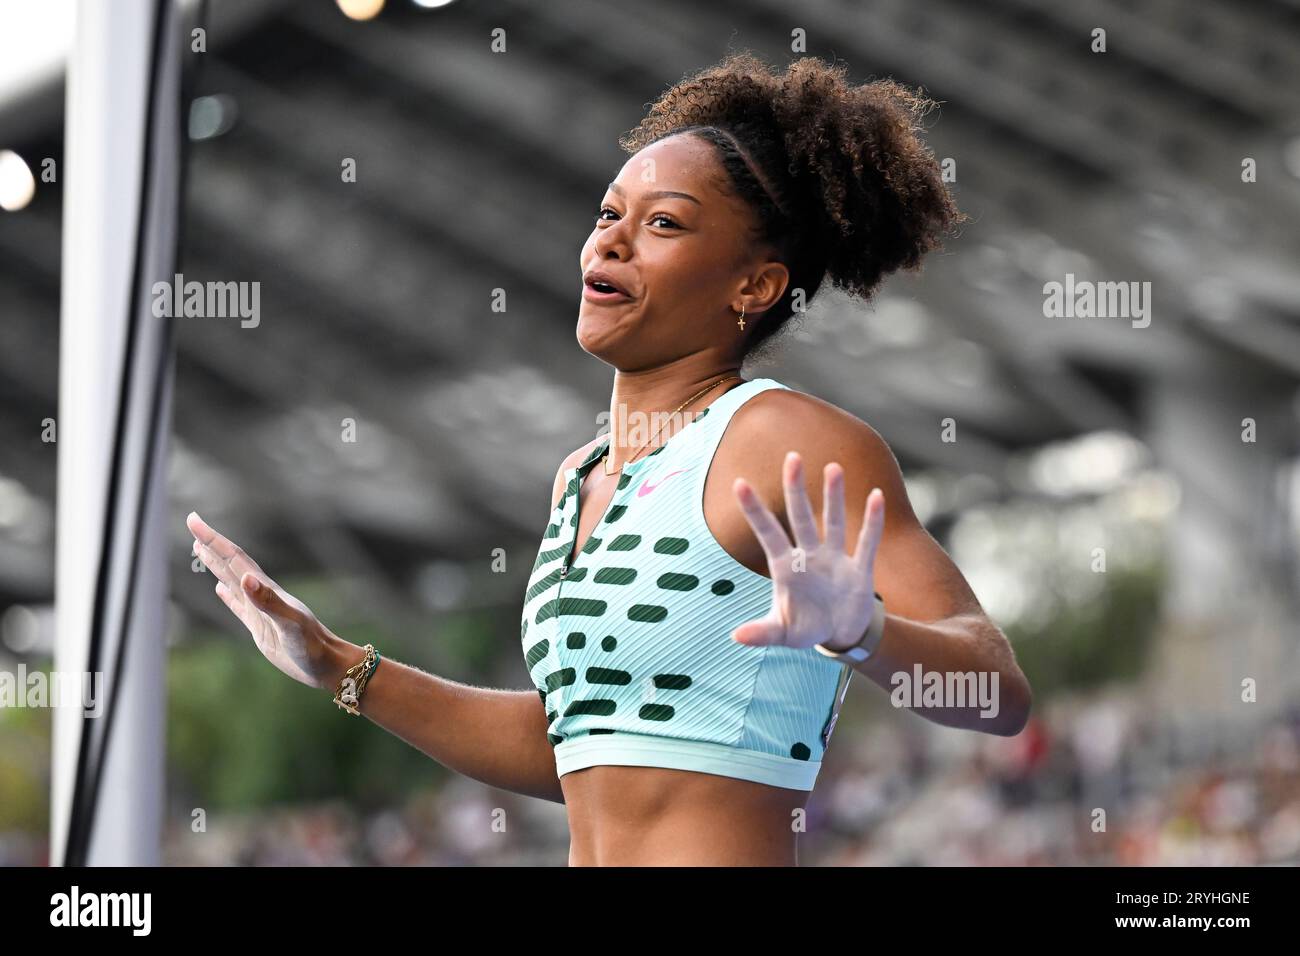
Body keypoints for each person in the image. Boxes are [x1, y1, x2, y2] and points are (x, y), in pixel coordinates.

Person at [188, 52, 1031, 866]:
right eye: (607, 216)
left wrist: (864, 635)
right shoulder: (578, 476)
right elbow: (572, 744)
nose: (613, 243)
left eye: (663, 223)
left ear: (756, 287)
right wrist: (336, 663)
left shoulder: (785, 441)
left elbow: (996, 692)